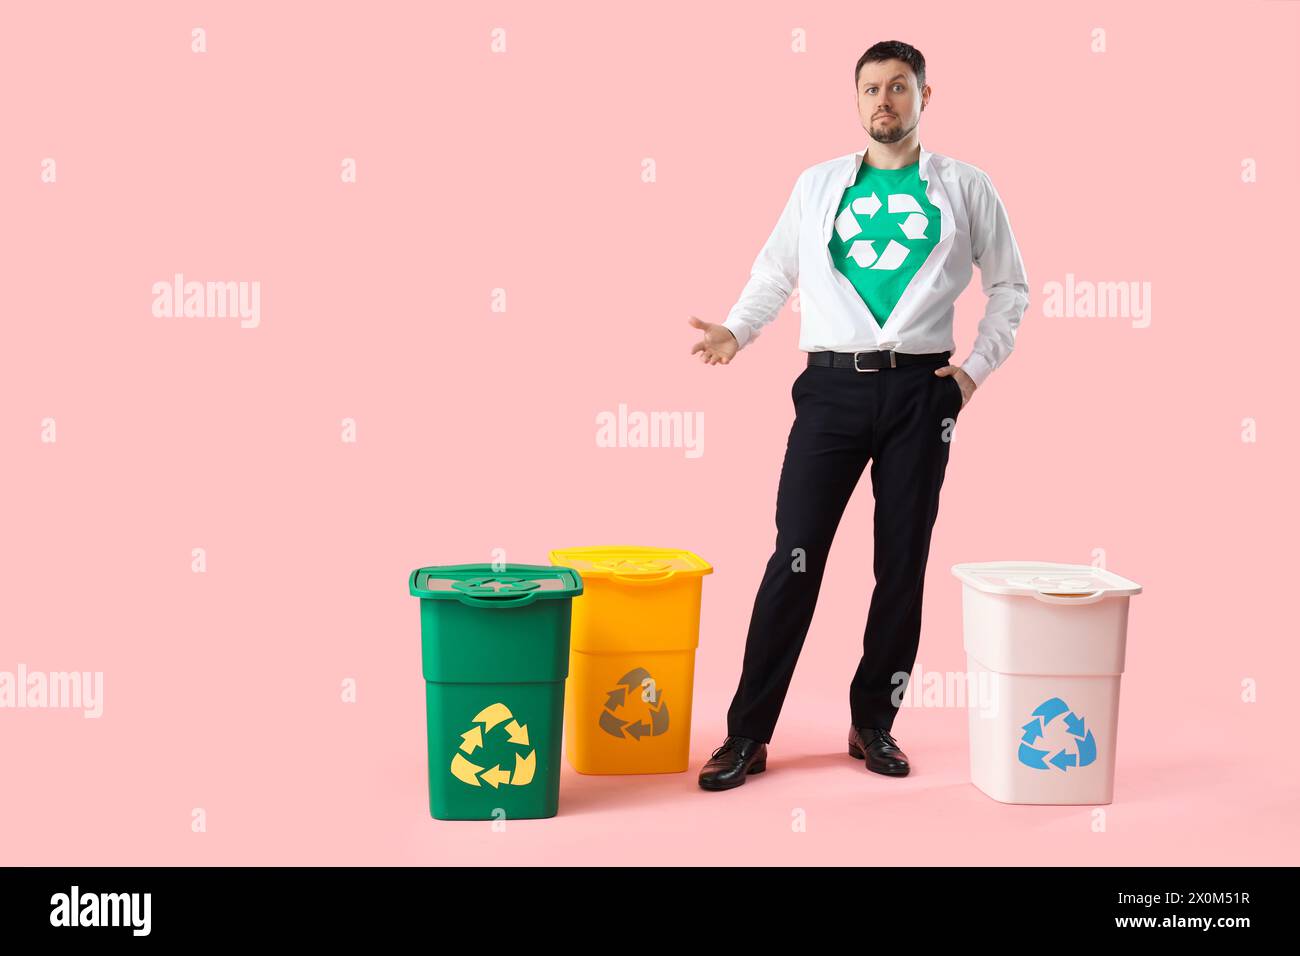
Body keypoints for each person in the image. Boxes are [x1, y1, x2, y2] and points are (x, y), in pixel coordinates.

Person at [689, 40, 1030, 791]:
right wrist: (736, 331)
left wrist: (970, 376)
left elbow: (1011, 288)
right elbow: (775, 271)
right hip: (831, 392)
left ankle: (874, 722)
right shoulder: (816, 187)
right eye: (872, 88)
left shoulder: (967, 187)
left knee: (900, 564)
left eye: (900, 87)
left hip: (920, 393)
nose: (885, 100)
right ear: (856, 101)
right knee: (795, 557)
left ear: (924, 97)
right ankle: (747, 732)